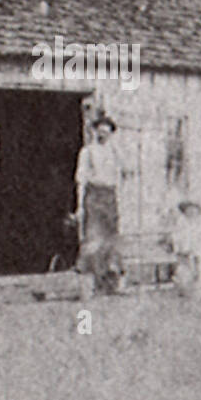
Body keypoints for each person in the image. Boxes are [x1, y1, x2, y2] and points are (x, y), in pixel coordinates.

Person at [74, 116, 125, 291]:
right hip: (93, 194)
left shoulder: (115, 152)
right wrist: (80, 205)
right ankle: (88, 283)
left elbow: (121, 176)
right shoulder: (87, 152)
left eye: (106, 132)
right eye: (100, 131)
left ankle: (111, 282)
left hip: (110, 195)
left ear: (111, 134)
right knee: (92, 236)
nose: (103, 134)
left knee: (111, 238)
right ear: (94, 132)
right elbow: (81, 179)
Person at [167, 200, 201, 299]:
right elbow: (176, 237)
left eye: (194, 210)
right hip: (183, 251)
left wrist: (197, 249)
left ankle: (199, 291)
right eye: (189, 210)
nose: (192, 212)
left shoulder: (200, 223)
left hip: (197, 251)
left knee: (198, 271)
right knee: (184, 270)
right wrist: (181, 248)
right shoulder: (181, 223)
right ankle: (184, 290)